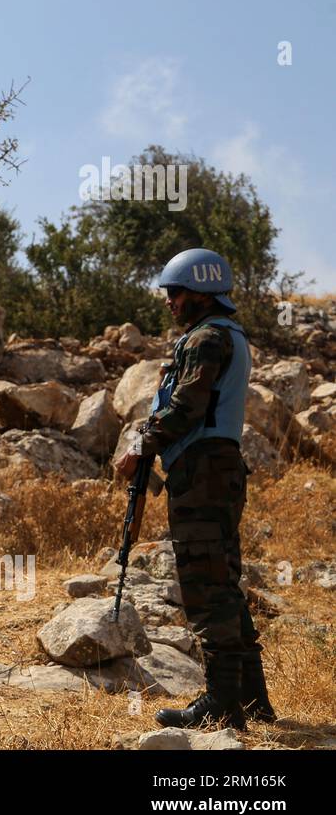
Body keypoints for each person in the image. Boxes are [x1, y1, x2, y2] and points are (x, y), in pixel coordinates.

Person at [114, 248, 272, 730]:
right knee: (222, 582)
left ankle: (222, 704)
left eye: (176, 292)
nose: (169, 301)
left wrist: (141, 446)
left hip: (204, 472)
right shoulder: (223, 334)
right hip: (212, 470)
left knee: (206, 587)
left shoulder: (207, 338)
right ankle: (251, 700)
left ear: (201, 293)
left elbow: (187, 406)